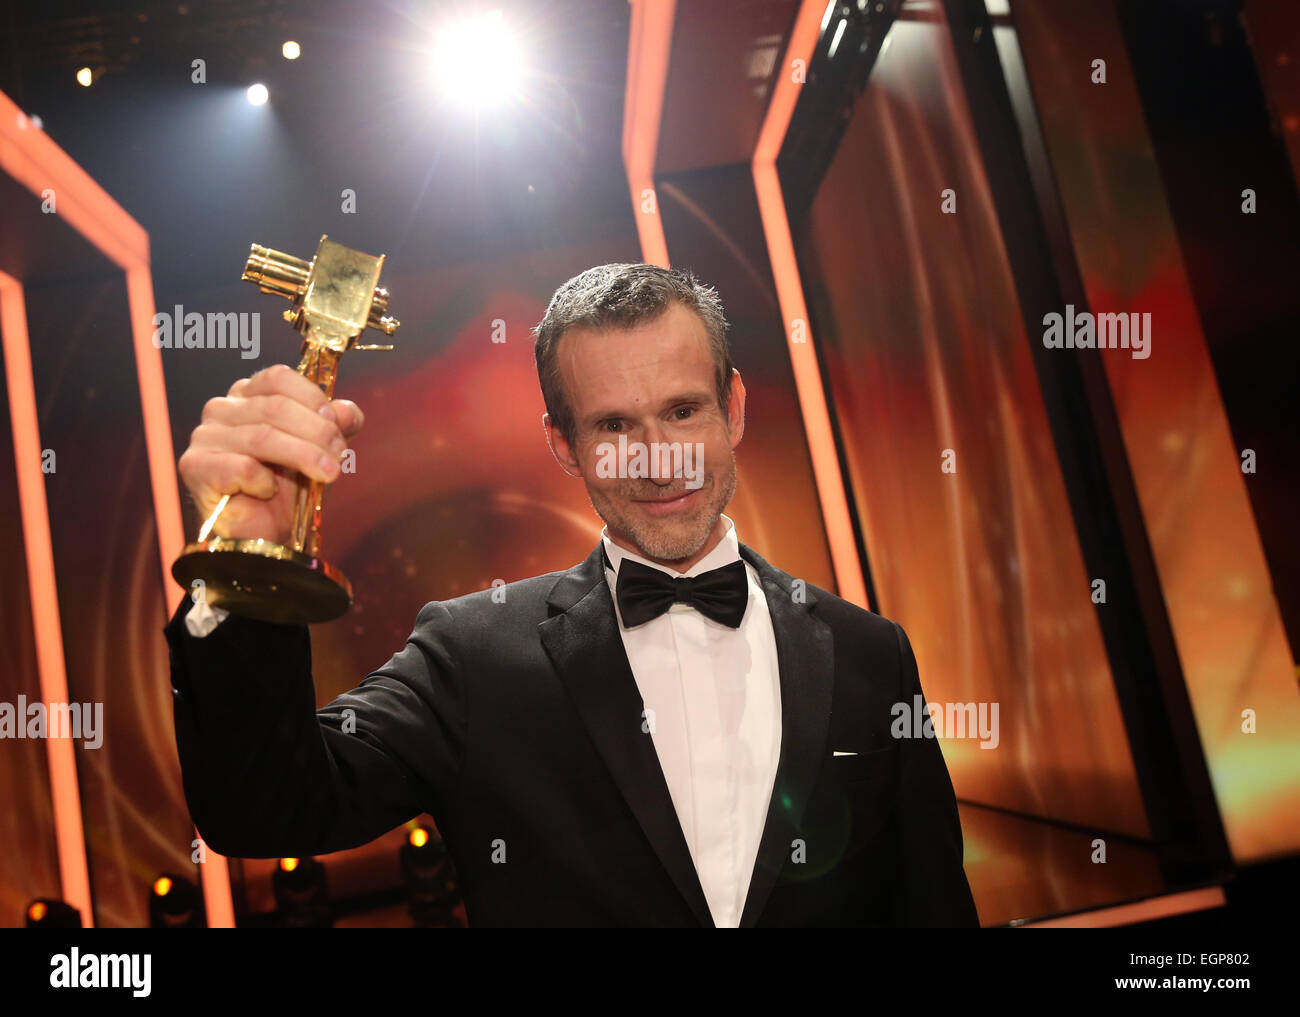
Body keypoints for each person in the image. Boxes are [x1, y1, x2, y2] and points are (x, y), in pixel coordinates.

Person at [166, 262, 979, 927]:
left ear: (732, 408)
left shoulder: (872, 652)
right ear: (564, 443)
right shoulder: (472, 655)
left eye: (683, 410)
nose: (659, 461)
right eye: (615, 426)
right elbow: (263, 808)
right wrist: (246, 572)